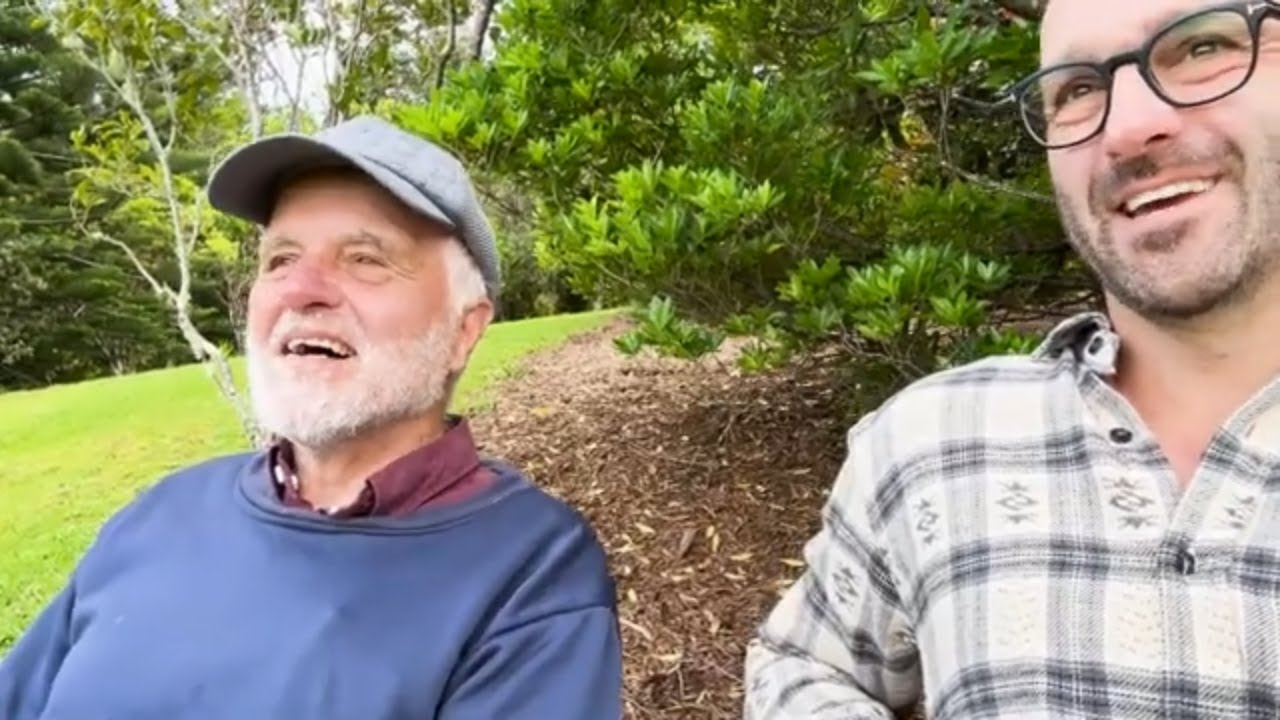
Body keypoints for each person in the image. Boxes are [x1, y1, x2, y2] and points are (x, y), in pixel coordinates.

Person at [744, 0, 1280, 717]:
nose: (1127, 126)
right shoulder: (930, 441)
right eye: (1077, 89)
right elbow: (803, 663)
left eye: (1200, 48)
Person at [0, 115, 623, 719]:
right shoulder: (162, 511)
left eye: (365, 258)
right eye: (280, 259)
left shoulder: (530, 579)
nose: (301, 291)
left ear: (464, 330)